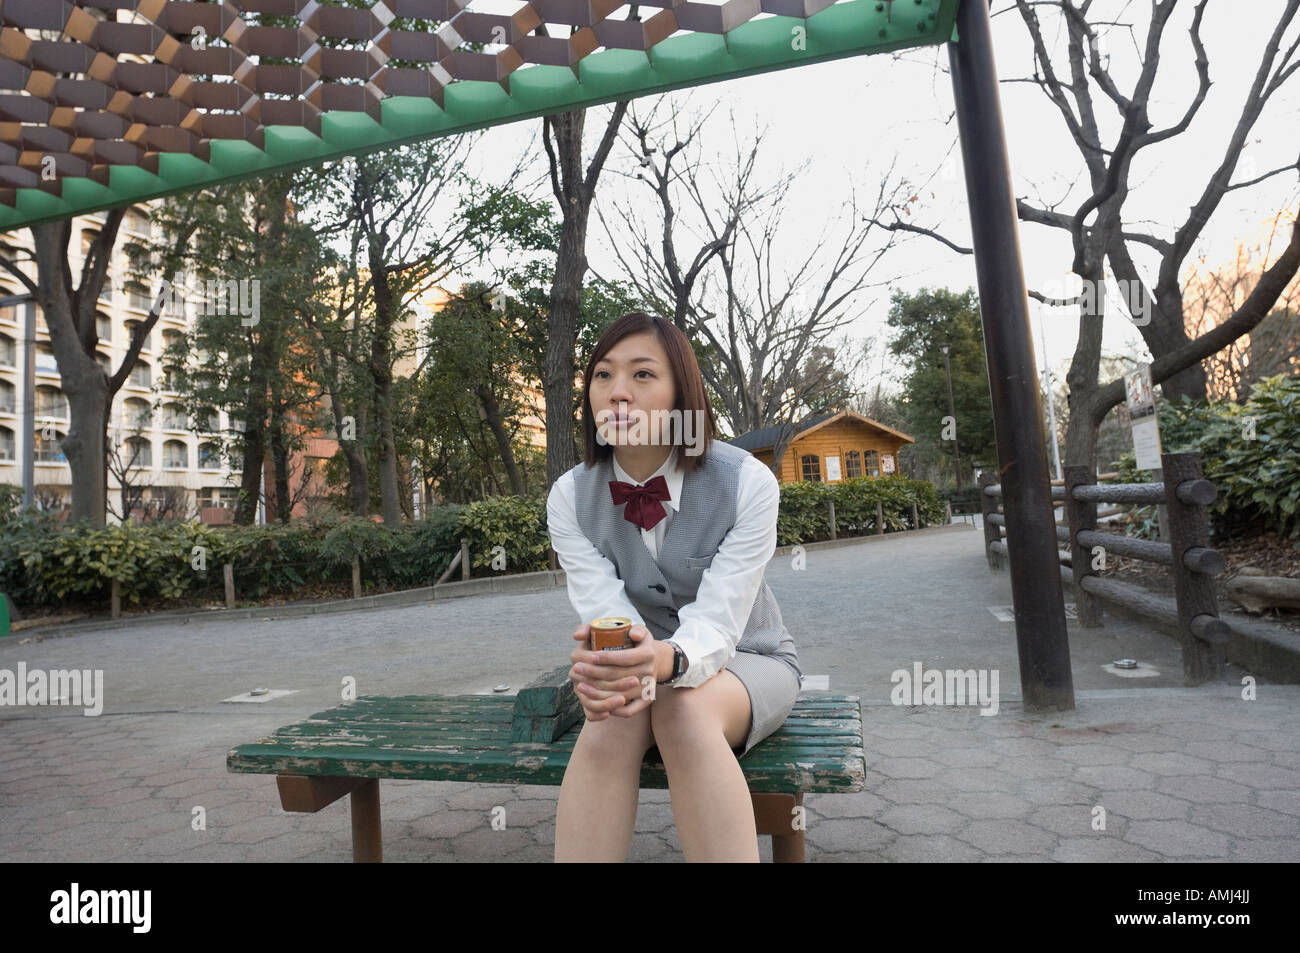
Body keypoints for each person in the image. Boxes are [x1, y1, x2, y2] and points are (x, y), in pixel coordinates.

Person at [546, 311, 802, 862]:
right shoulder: (570, 497)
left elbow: (720, 617)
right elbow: (604, 612)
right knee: (616, 714)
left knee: (682, 710)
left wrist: (666, 663)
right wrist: (614, 667)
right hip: (641, 662)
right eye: (602, 375)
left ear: (681, 395)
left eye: (642, 375)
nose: (617, 394)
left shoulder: (747, 484)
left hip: (748, 658)